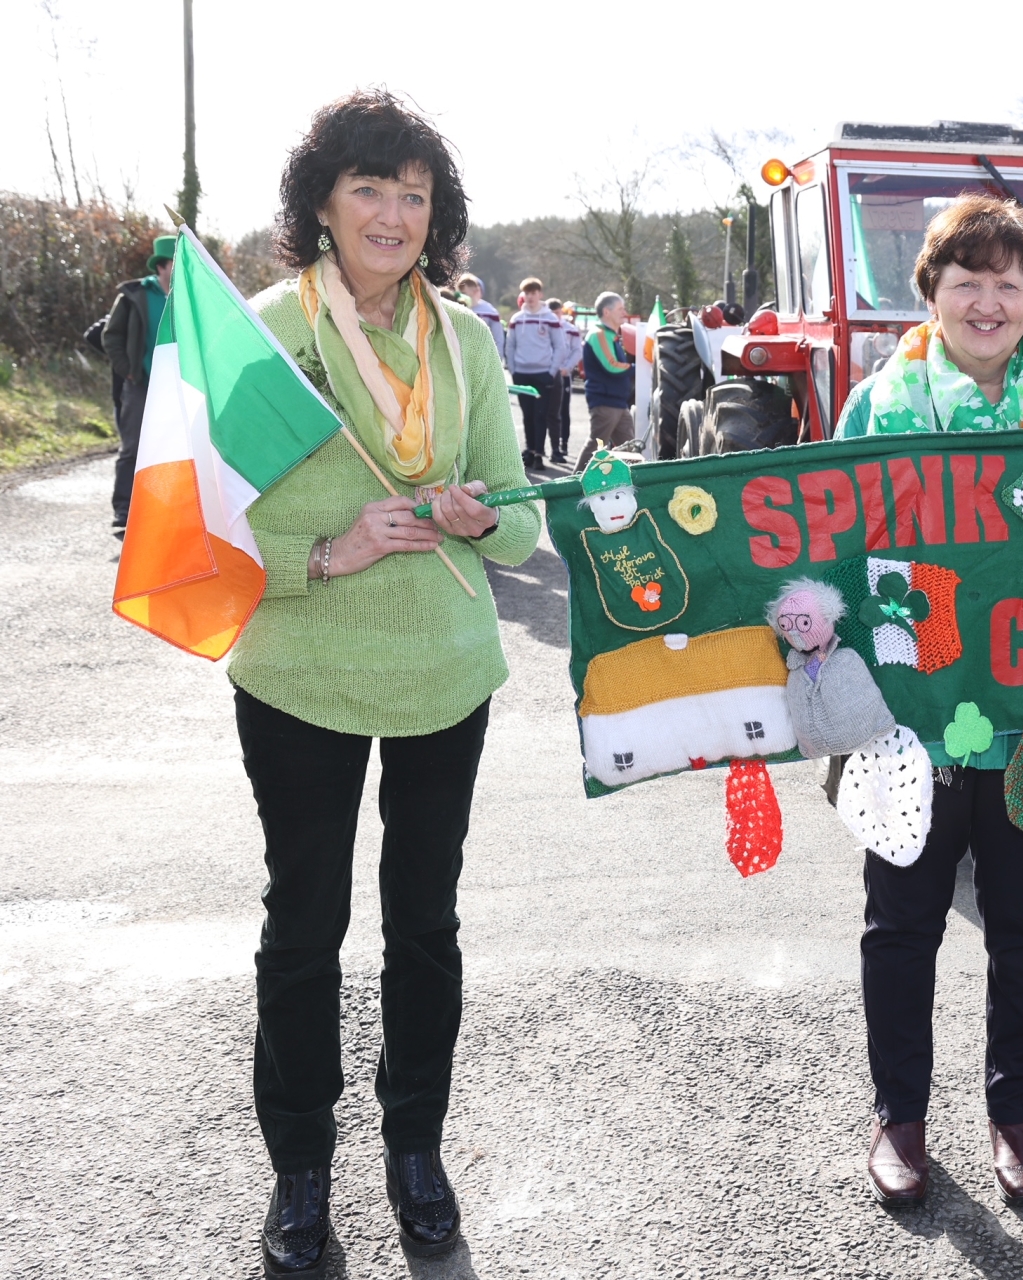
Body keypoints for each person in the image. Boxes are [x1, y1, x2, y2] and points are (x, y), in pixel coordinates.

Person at [238, 89, 539, 1274]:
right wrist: (328, 550)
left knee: (426, 923)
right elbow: (202, 527)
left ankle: (416, 1146)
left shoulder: (466, 340)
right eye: (368, 186)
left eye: (414, 194)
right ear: (321, 202)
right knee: (304, 925)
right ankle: (300, 1166)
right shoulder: (266, 334)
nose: (392, 213)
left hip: (444, 673)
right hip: (298, 673)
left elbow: (522, 520)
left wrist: (481, 516)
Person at [835, 193, 1023, 1211]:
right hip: (911, 717)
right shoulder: (877, 407)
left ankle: (1015, 1112)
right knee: (901, 925)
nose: (987, 301)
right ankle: (899, 1115)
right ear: (933, 291)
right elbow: (830, 535)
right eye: (968, 280)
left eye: (1009, 281)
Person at [101, 235, 176, 535]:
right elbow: (111, 336)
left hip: (175, 387)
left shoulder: (187, 297)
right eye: (175, 262)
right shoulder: (135, 295)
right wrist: (128, 371)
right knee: (132, 448)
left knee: (170, 449)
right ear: (161, 266)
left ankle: (159, 509)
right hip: (140, 385)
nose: (179, 268)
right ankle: (123, 510)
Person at [503, 277, 569, 470]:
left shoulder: (550, 319)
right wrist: (513, 369)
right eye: (527, 293)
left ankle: (539, 453)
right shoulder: (516, 319)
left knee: (541, 415)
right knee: (527, 415)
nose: (530, 297)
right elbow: (510, 346)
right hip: (522, 374)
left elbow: (560, 346)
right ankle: (530, 451)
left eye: (533, 293)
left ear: (540, 294)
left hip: (543, 374)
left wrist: (552, 371)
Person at [576, 291, 636, 467]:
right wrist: (636, 368)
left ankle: (636, 481)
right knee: (596, 447)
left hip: (616, 402)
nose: (624, 312)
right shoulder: (599, 334)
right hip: (605, 402)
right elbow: (611, 366)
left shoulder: (609, 335)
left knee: (629, 449)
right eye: (620, 309)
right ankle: (575, 481)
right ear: (606, 312)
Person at [548, 297, 584, 462]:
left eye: (557, 312)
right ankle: (546, 447)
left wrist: (567, 367)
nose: (555, 316)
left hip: (563, 374)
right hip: (548, 374)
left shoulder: (570, 329)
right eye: (552, 313)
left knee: (563, 411)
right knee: (546, 412)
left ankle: (564, 444)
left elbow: (577, 351)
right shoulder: (543, 328)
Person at [457, 271, 505, 356]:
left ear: (475, 291)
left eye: (464, 293)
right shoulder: (457, 310)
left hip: (484, 357)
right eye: (460, 293)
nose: (461, 297)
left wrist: (498, 360)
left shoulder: (490, 312)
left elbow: (498, 339)